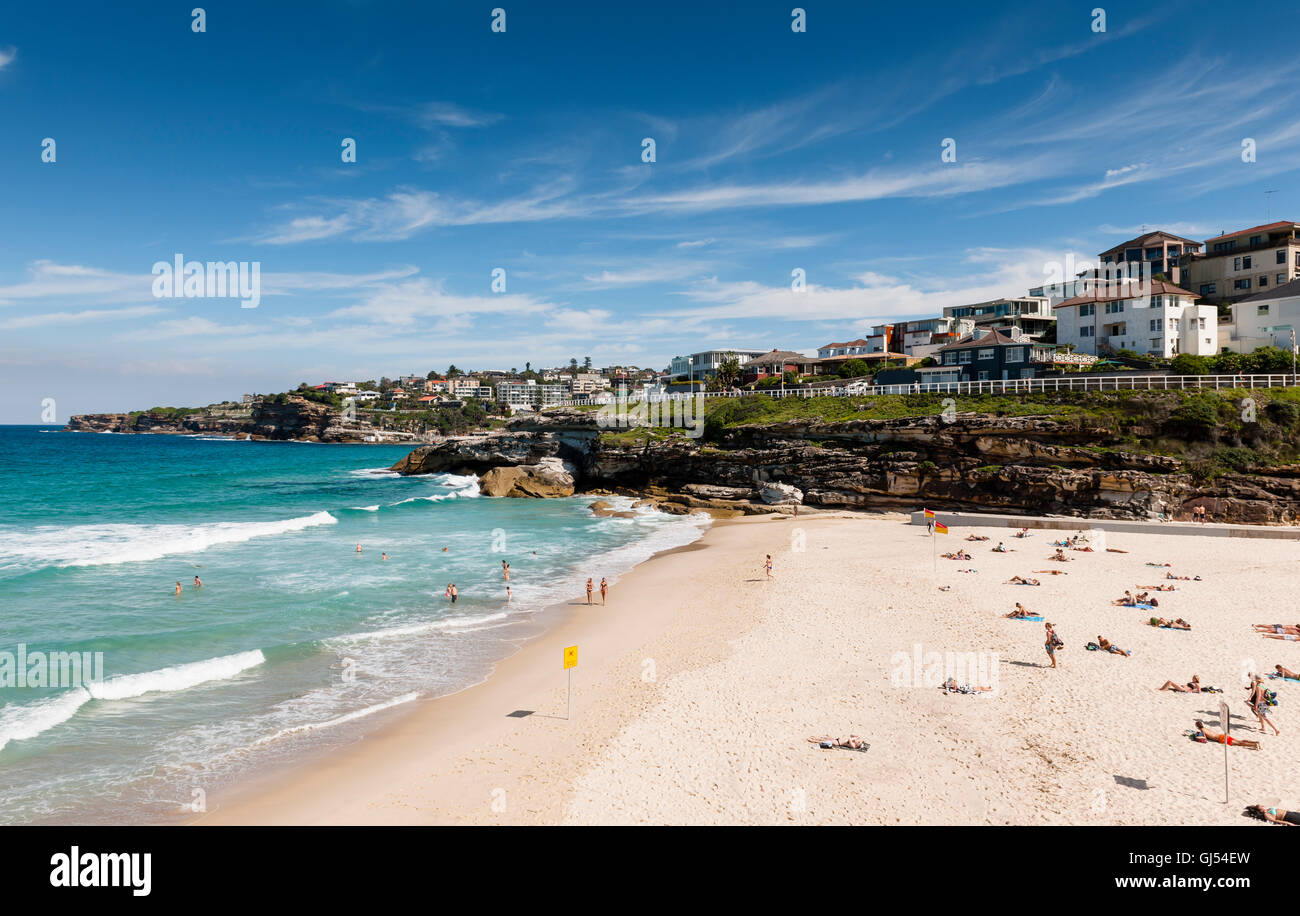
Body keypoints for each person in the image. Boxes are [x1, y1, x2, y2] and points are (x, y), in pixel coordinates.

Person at [1193, 720, 1260, 750]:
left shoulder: (1202, 730)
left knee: (1239, 743)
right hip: (1222, 735)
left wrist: (1197, 736)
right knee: (1239, 741)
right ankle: (1255, 742)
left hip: (1221, 739)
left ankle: (1254, 745)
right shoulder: (1205, 728)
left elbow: (1204, 738)